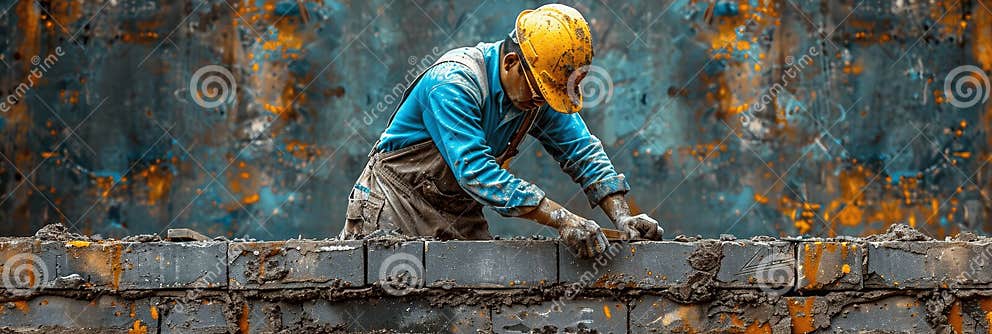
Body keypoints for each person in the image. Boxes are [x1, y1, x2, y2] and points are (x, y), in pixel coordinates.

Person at [342, 4, 663, 257]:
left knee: (473, 309)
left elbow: (582, 151)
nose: (542, 102)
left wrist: (623, 216)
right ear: (511, 62)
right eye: (539, 92)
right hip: (395, 205)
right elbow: (476, 172)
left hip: (457, 209)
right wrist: (563, 219)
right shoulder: (453, 83)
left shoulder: (535, 94)